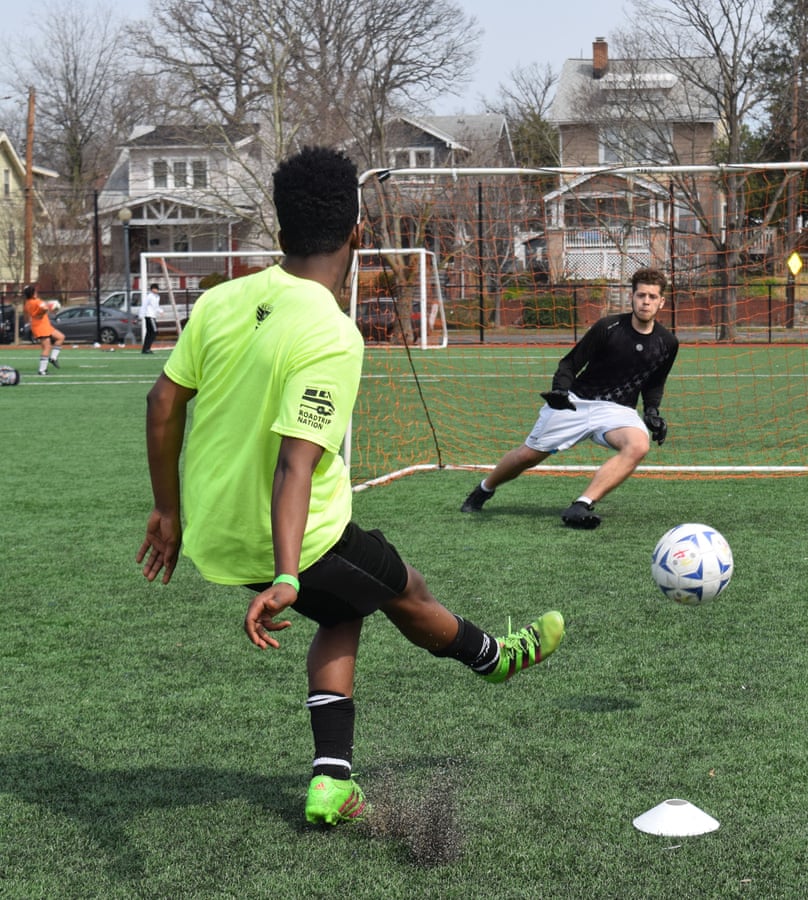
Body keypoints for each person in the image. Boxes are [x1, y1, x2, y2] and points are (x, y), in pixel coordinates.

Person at [137, 146, 563, 828]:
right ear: (358, 233)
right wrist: (285, 574)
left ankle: (331, 780)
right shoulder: (333, 334)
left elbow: (162, 405)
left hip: (216, 533)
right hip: (295, 537)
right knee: (407, 590)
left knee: (343, 611)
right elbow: (293, 465)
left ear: (279, 233)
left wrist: (167, 508)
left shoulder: (219, 301)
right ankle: (495, 659)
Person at [461, 267, 678, 529]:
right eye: (641, 295)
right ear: (631, 297)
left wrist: (652, 412)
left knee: (638, 445)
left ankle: (581, 505)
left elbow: (655, 382)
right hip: (576, 402)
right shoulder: (607, 327)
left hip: (617, 411)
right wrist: (561, 391)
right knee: (527, 457)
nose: (646, 301)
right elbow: (569, 364)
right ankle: (484, 488)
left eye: (652, 297)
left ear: (661, 302)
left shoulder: (668, 343)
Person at [23, 284, 62, 375]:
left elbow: (35, 312)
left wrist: (46, 307)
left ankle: (53, 358)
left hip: (43, 326)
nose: (36, 293)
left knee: (60, 337)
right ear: (32, 294)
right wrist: (50, 307)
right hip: (41, 327)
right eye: (35, 291)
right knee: (47, 347)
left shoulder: (27, 303)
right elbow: (43, 308)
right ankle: (42, 370)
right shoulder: (36, 301)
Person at [141, 283, 160, 354]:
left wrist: (160, 311)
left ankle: (145, 349)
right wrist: (142, 314)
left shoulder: (157, 297)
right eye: (156, 289)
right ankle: (147, 348)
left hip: (152, 316)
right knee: (154, 332)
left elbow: (156, 306)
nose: (157, 290)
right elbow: (144, 305)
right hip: (149, 316)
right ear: (153, 289)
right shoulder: (149, 296)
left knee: (149, 333)